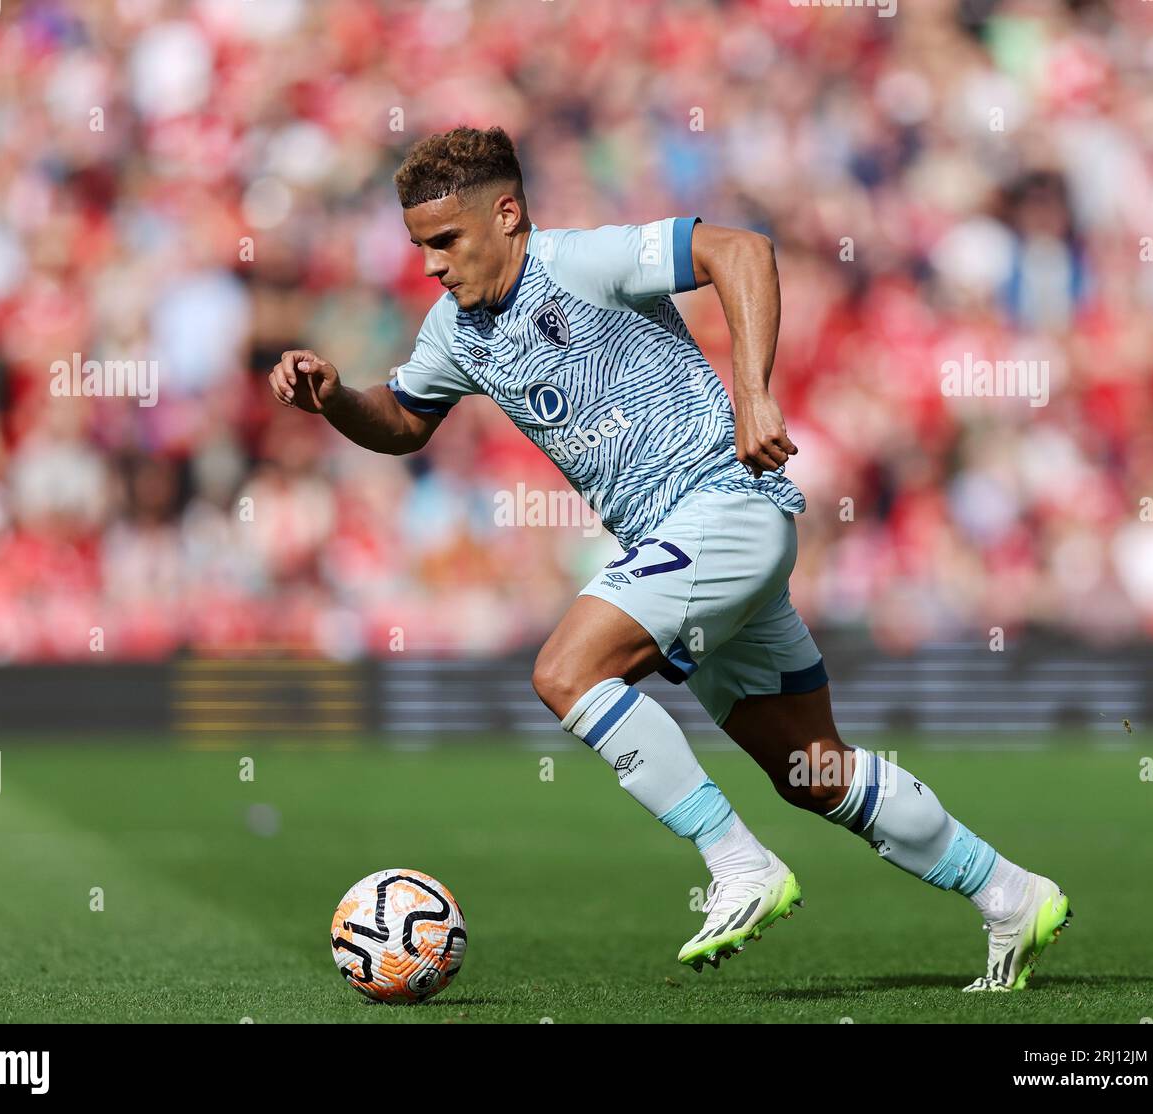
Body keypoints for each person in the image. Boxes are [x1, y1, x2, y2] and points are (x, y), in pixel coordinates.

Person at [268, 125, 1071, 990]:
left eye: (445, 241)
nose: (431, 264)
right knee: (814, 773)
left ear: (506, 214)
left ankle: (738, 865)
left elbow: (740, 248)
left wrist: (753, 395)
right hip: (681, 545)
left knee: (566, 672)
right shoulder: (457, 332)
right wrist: (335, 398)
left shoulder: (581, 262)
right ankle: (1009, 892)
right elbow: (401, 422)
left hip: (723, 509)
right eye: (420, 245)